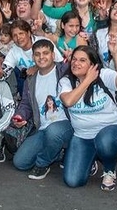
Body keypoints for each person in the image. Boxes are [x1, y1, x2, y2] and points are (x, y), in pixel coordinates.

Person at [60, 44, 117, 191]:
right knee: (72, 180)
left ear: (92, 65)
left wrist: (115, 53)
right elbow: (68, 101)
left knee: (104, 140)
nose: (76, 63)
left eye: (82, 60)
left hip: (112, 132)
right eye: (74, 59)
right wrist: (87, 81)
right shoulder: (66, 81)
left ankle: (109, 170)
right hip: (83, 136)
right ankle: (90, 159)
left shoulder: (103, 75)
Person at [12, 39, 74, 179]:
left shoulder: (64, 70)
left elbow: (82, 70)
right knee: (20, 162)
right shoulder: (30, 79)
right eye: (37, 54)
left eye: (45, 53)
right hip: (43, 127)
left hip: (67, 124)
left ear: (53, 55)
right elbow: (26, 104)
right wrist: (20, 116)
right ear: (33, 57)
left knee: (54, 131)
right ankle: (57, 152)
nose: (41, 57)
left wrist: (72, 61)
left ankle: (42, 164)